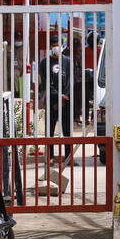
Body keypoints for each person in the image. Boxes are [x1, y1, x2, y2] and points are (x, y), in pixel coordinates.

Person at [38, 34, 72, 164]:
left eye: (59, 45)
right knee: (50, 130)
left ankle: (68, 158)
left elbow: (70, 81)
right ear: (51, 48)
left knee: (67, 130)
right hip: (52, 101)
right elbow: (45, 83)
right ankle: (50, 157)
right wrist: (57, 96)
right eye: (54, 46)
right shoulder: (44, 63)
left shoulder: (67, 61)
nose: (57, 48)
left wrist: (65, 96)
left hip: (66, 101)